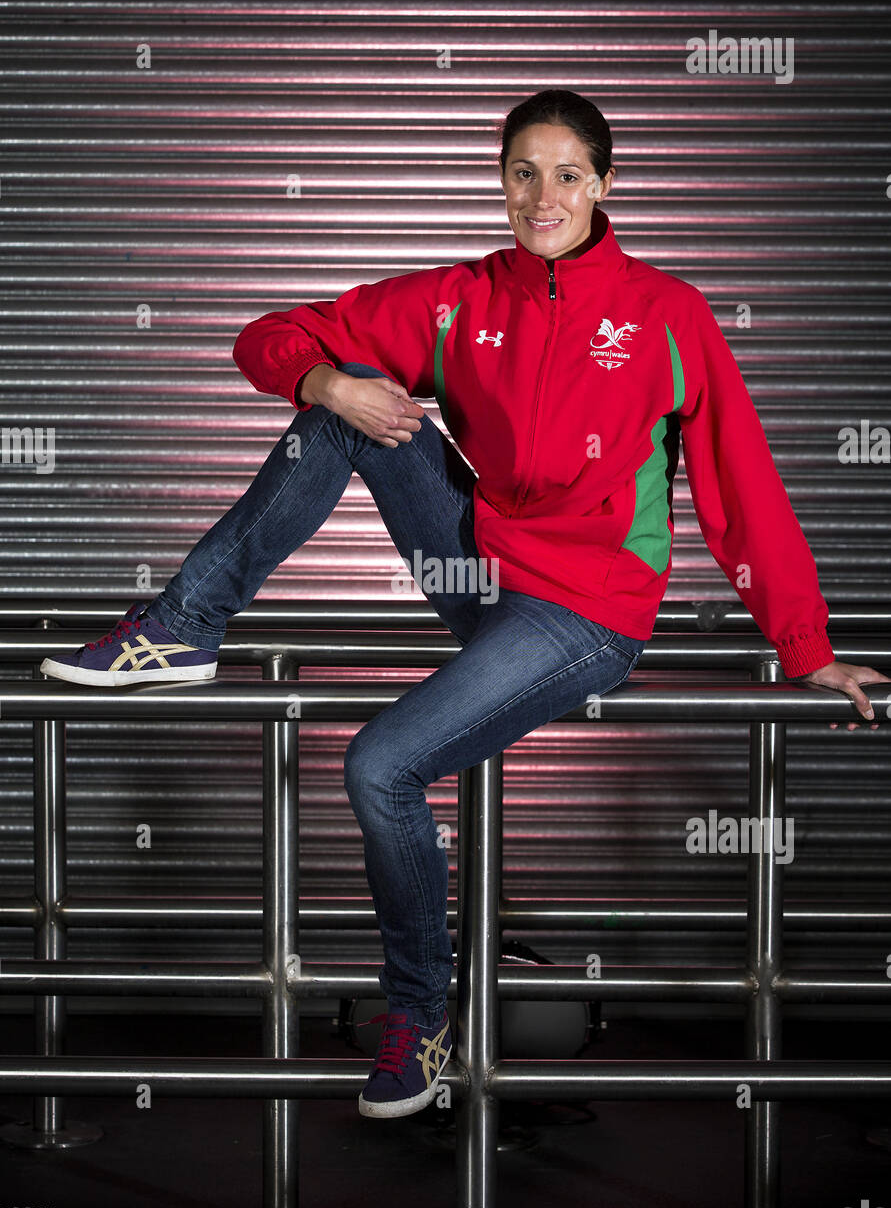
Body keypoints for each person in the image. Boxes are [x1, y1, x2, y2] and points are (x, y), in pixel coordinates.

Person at [41, 89, 887, 1119]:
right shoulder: (461, 300)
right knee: (344, 392)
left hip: (583, 615)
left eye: (567, 174)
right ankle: (183, 628)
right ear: (501, 182)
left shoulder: (669, 314)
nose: (543, 197)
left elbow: (738, 484)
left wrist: (805, 645)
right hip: (482, 572)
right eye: (523, 174)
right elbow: (266, 337)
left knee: (379, 764)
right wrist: (325, 383)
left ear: (605, 183)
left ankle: (419, 1014)